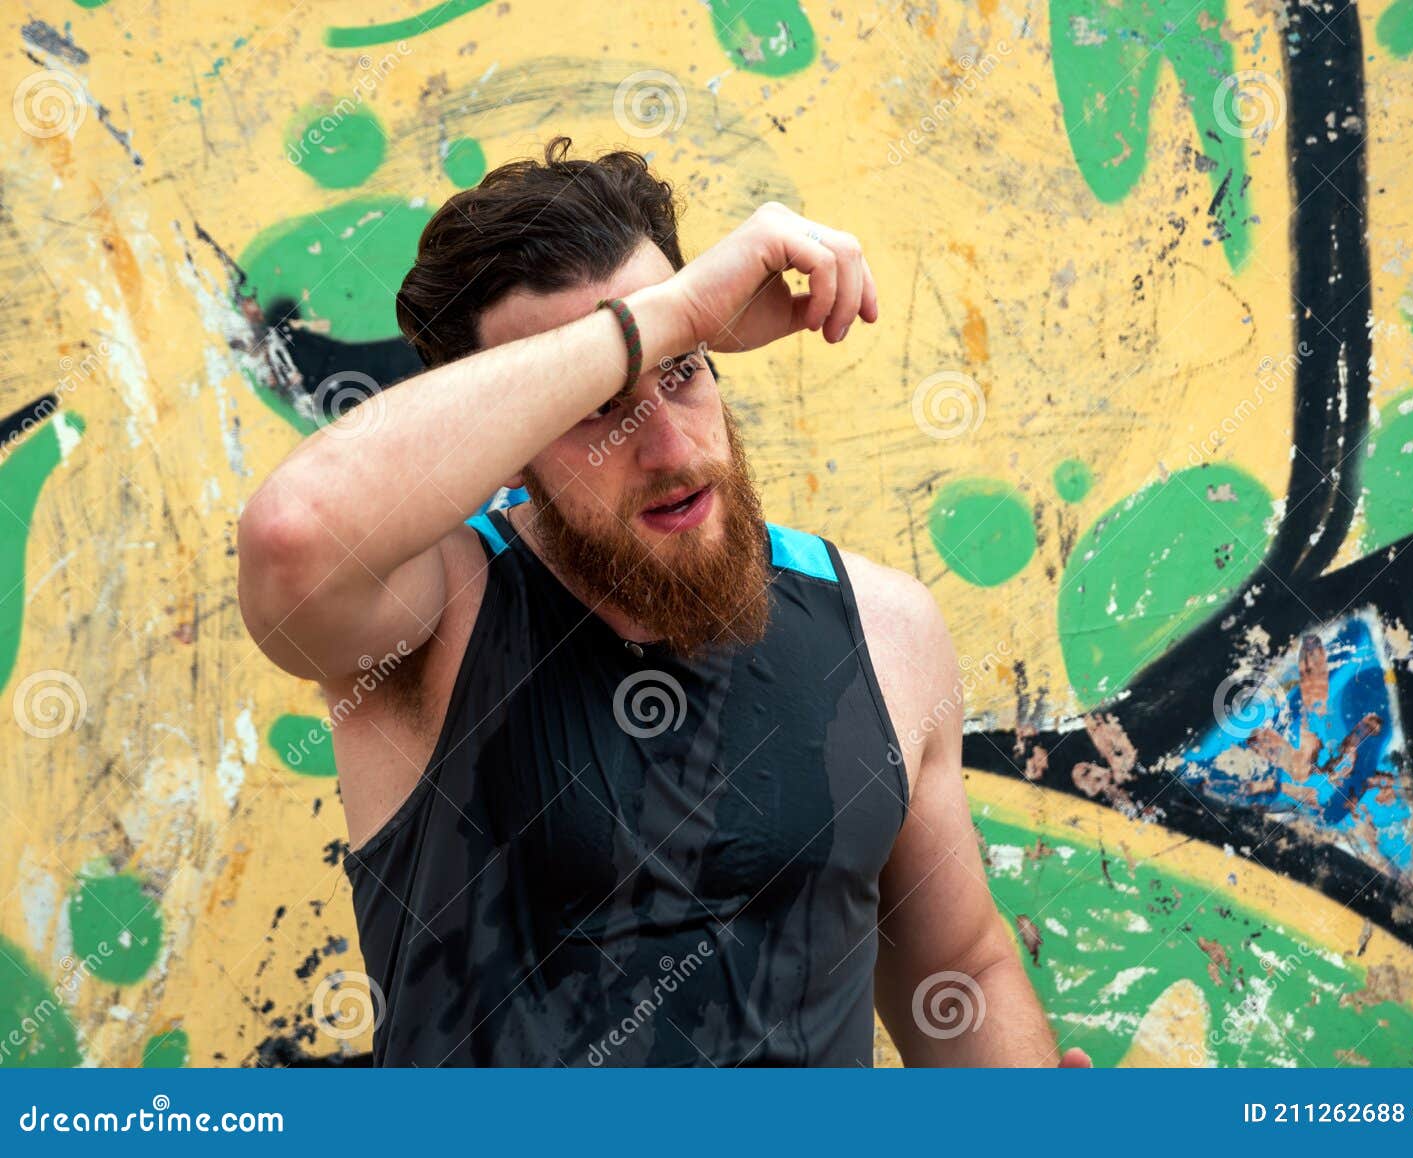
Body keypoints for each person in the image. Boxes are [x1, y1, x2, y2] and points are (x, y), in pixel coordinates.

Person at [236, 137, 1090, 1068]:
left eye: (683, 368)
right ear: (512, 443)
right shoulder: (436, 621)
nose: (671, 449)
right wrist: (669, 313)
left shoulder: (884, 630)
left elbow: (960, 965)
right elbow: (293, 539)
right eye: (597, 404)